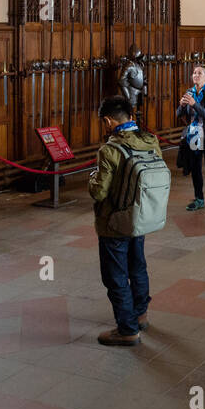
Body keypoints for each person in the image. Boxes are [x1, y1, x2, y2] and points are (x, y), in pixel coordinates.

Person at [89, 96, 162, 345]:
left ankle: (128, 329)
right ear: (130, 116)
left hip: (113, 223)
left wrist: (92, 179)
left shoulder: (109, 150)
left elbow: (99, 192)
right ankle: (140, 314)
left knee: (116, 275)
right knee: (137, 266)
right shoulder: (150, 141)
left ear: (108, 121)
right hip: (140, 216)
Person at [177, 65, 205, 213]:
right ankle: (199, 199)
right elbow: (179, 114)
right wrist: (182, 106)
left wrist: (194, 104)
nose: (196, 75)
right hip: (194, 134)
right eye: (194, 73)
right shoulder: (189, 92)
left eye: (199, 73)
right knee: (195, 169)